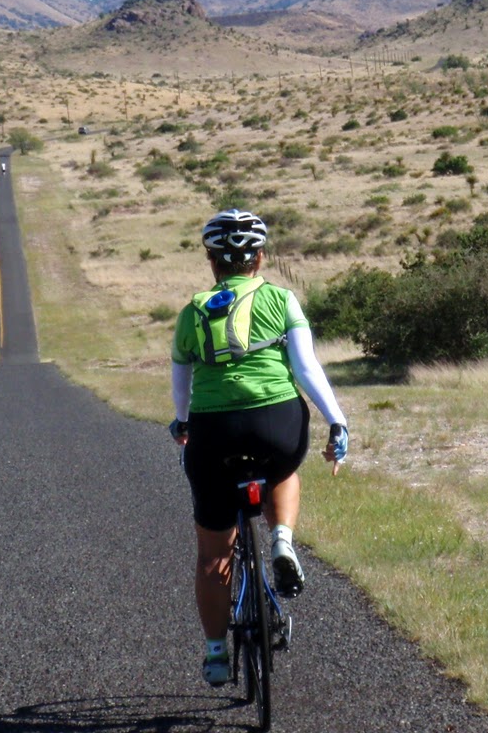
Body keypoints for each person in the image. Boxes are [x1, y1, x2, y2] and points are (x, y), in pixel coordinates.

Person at [169, 208, 349, 687]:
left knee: (213, 555)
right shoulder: (281, 299)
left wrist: (183, 424)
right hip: (276, 423)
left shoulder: (192, 312)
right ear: (261, 257)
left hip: (213, 432)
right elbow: (306, 368)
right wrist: (337, 421)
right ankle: (282, 540)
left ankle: (215, 654)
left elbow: (181, 384)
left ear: (212, 262)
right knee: (284, 468)